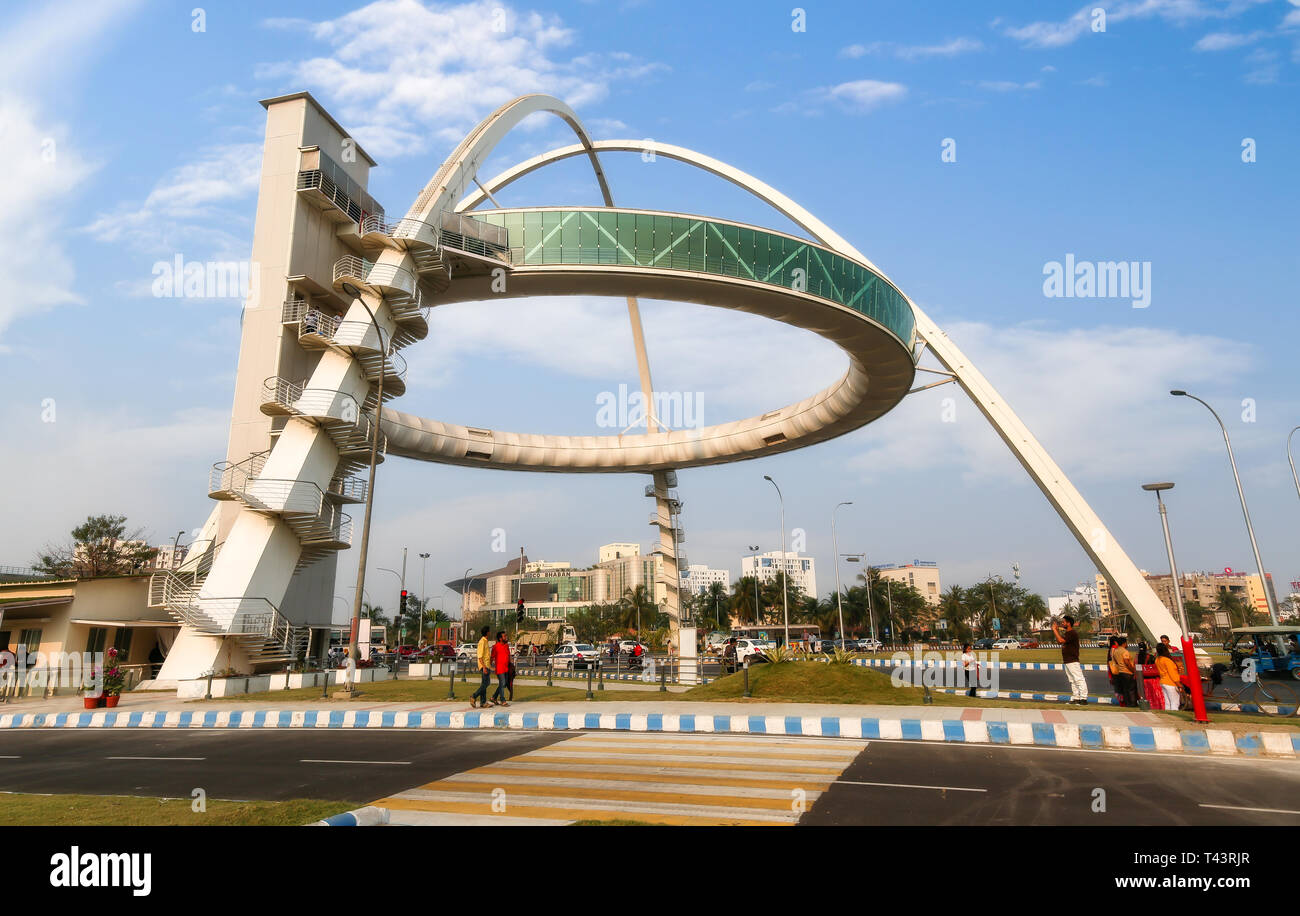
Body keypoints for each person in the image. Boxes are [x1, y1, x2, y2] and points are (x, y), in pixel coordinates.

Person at [1052, 615, 1087, 705]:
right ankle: (1076, 697)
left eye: (1063, 622)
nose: (1062, 623)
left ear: (1068, 623)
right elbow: (1059, 641)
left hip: (1072, 660)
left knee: (1079, 679)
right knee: (1072, 680)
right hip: (1067, 660)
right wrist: (1056, 631)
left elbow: (1060, 641)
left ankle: (1083, 698)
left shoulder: (1072, 633)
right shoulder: (1067, 633)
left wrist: (1055, 630)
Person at [1111, 636, 1140, 708]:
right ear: (1124, 643)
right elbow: (1127, 662)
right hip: (1127, 672)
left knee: (1125, 689)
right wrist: (1133, 671)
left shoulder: (1116, 651)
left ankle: (1127, 704)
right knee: (1131, 689)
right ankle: (1133, 704)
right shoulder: (1125, 651)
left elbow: (1116, 662)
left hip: (1120, 672)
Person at [1155, 643, 1183, 711]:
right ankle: (1174, 718)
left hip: (1163, 682)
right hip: (1170, 683)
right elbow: (1172, 674)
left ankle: (1168, 717)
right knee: (1175, 703)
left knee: (1168, 703)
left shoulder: (1157, 660)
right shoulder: (1167, 661)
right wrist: (1179, 685)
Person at [469, 625, 492, 709]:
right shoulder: (482, 642)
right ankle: (474, 696)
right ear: (487, 632)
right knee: (486, 683)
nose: (490, 632)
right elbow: (480, 656)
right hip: (484, 666)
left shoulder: (486, 641)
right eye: (489, 631)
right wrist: (484, 667)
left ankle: (483, 702)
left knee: (484, 684)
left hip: (486, 665)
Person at [1137, 641, 1164, 709]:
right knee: (1154, 694)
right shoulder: (1150, 657)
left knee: (1146, 694)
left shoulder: (1137, 657)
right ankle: (1157, 705)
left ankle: (1148, 705)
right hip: (1152, 679)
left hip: (1142, 679)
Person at [490, 631, 511, 707]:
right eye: (504, 636)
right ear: (500, 638)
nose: (506, 637)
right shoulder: (495, 647)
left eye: (506, 636)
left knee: (503, 684)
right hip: (499, 669)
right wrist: (490, 666)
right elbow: (492, 657)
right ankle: (503, 700)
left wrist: (511, 664)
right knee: (502, 683)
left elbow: (508, 656)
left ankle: (493, 697)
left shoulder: (506, 646)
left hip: (506, 668)